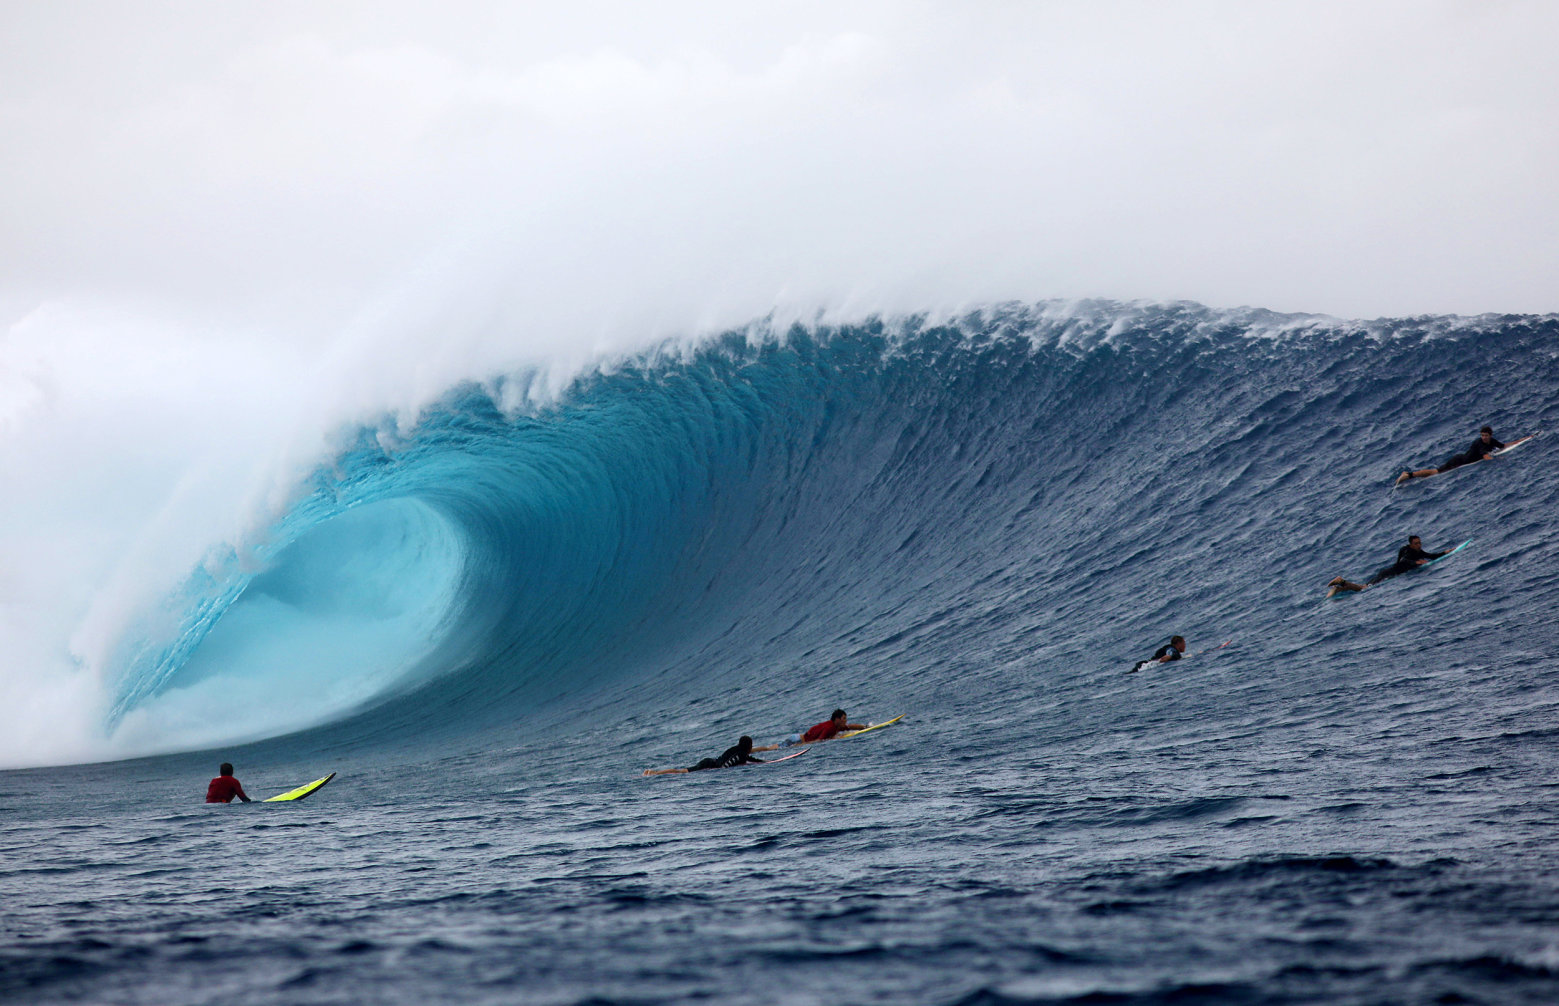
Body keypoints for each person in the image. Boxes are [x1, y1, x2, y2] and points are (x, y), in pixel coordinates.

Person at [1326, 535, 1451, 596]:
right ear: (1411, 544)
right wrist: (1415, 563)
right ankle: (1341, 581)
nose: (1419, 545)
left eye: (1420, 543)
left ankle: (1339, 588)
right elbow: (1404, 561)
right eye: (1416, 543)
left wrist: (1446, 552)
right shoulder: (1408, 552)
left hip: (1387, 572)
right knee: (1364, 588)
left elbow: (1431, 556)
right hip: (1389, 574)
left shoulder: (1415, 551)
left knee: (1362, 586)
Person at [1396, 427, 1505, 485]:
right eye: (1482, 435)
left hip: (1461, 459)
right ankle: (1409, 475)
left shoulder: (1492, 441)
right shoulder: (1479, 443)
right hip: (1458, 461)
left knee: (1435, 472)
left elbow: (1503, 446)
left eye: (1486, 436)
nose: (1484, 438)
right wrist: (1497, 459)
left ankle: (1410, 475)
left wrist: (1520, 440)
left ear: (1490, 435)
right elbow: (1486, 457)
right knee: (1436, 472)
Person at [757, 709, 870, 750]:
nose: (845, 721)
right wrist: (797, 747)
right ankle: (751, 750)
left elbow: (851, 726)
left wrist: (865, 727)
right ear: (837, 719)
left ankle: (752, 749)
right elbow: (819, 741)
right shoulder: (830, 727)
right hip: (797, 740)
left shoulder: (836, 726)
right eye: (844, 719)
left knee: (771, 747)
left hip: (798, 737)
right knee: (769, 749)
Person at [687, 736, 766, 772]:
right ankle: (673, 772)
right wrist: (765, 762)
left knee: (685, 770)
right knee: (684, 771)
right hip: (709, 765)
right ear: (748, 746)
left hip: (709, 761)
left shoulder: (735, 749)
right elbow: (752, 760)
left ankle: (674, 772)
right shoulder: (741, 754)